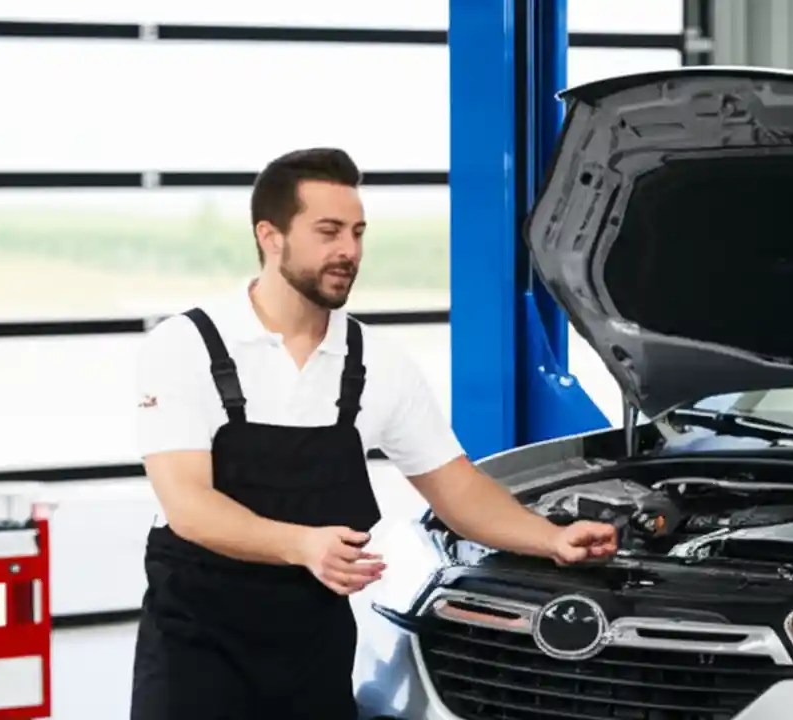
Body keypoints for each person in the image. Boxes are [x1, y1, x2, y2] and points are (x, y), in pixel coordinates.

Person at [128, 148, 619, 719]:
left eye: (358, 232)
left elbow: (457, 488)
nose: (349, 251)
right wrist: (302, 545)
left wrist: (549, 538)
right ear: (271, 236)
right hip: (197, 652)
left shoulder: (375, 362)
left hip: (312, 654)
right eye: (329, 231)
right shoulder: (185, 345)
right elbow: (189, 506)